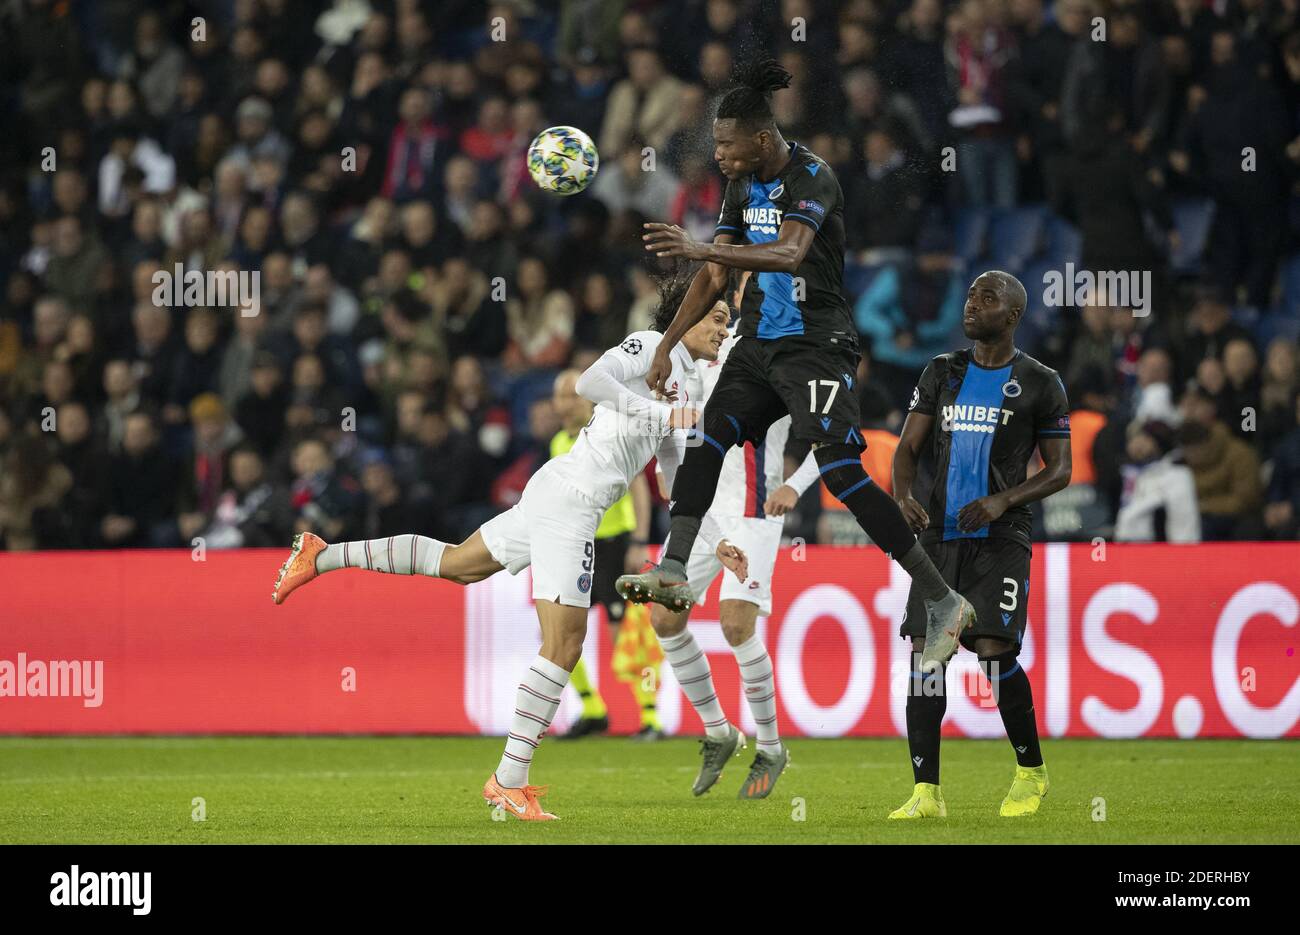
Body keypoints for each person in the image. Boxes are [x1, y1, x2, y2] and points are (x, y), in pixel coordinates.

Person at [270, 276, 741, 821]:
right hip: (571, 501)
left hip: (560, 493)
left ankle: (321, 554)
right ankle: (508, 781)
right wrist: (662, 416)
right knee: (564, 645)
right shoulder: (648, 345)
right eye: (716, 317)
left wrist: (714, 537)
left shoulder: (689, 385)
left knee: (457, 565)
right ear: (689, 314)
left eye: (727, 320)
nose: (723, 327)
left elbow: (672, 477)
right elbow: (590, 382)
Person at [616, 57, 975, 675]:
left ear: (761, 138)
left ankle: (942, 599)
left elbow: (787, 253)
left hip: (816, 341)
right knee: (709, 437)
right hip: (757, 341)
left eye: (728, 146)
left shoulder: (813, 177)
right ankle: (673, 568)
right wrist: (668, 342)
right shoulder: (739, 183)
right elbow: (717, 272)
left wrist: (697, 242)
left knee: (841, 472)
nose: (720, 157)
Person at [889, 270, 1072, 820]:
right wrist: (901, 495)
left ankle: (1031, 773)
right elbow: (906, 449)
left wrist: (1003, 500)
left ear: (1013, 315)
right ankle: (927, 794)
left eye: (987, 298)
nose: (972, 304)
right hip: (939, 536)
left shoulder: (1041, 382)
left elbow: (1060, 471)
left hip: (1000, 536)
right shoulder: (941, 372)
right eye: (970, 295)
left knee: (993, 656)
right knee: (927, 660)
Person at [648, 271, 821, 799]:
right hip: (699, 514)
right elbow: (683, 427)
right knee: (664, 617)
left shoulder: (791, 355)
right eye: (747, 283)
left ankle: (770, 747)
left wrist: (794, 483)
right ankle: (719, 732)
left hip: (752, 509)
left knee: (735, 625)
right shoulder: (713, 347)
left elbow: (837, 436)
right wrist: (667, 467)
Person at [547, 367, 662, 741]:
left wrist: (639, 540)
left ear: (589, 399)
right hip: (577, 546)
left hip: (613, 543)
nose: (563, 404)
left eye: (571, 395)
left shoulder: (607, 433)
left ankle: (651, 717)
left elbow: (639, 488)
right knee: (559, 627)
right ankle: (592, 708)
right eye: (559, 396)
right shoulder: (557, 443)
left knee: (623, 633)